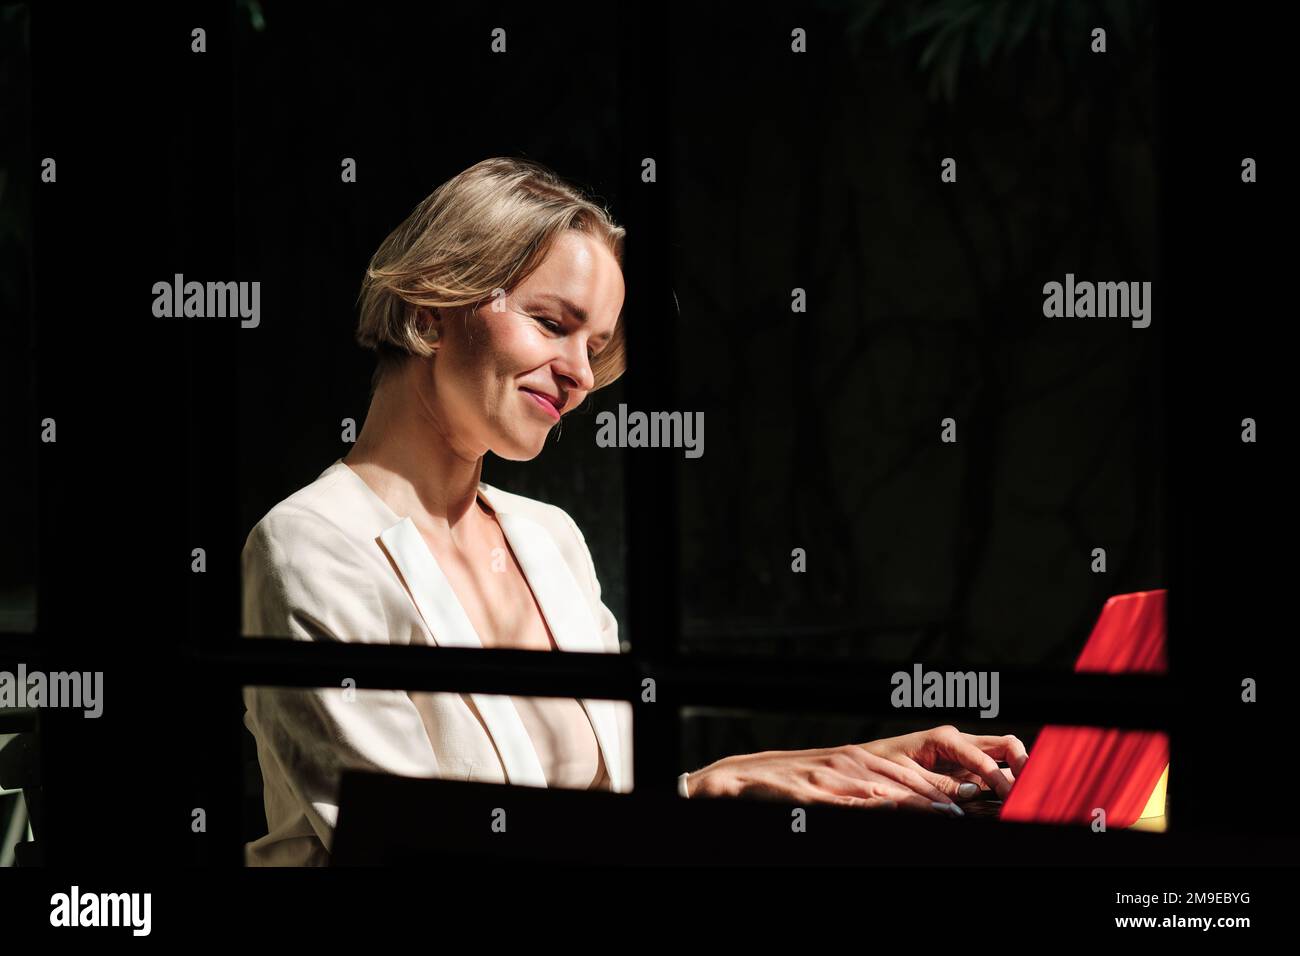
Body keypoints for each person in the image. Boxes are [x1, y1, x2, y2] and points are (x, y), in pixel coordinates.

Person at [241, 156, 1029, 866]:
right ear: (431, 309)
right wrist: (708, 792)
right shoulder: (312, 546)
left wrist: (822, 771)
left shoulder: (548, 539)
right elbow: (413, 848)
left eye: (598, 344)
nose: (580, 372)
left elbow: (604, 821)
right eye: (553, 323)